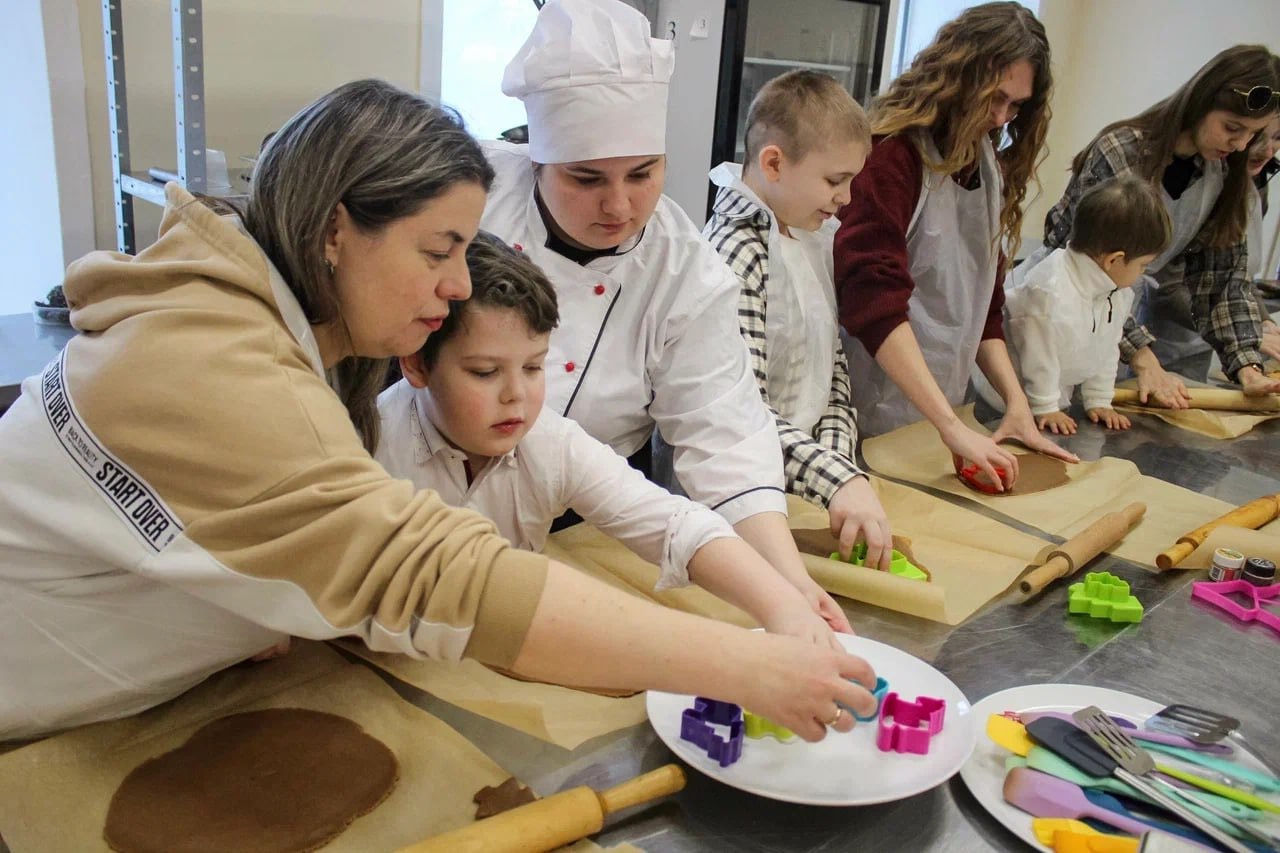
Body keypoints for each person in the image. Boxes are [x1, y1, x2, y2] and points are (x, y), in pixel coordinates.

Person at [0, 79, 876, 742]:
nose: (456, 285)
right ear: (335, 230)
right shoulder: (215, 361)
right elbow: (444, 575)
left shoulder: (255, 324)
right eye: (438, 250)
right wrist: (745, 663)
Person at [481, 0, 851, 627]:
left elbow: (725, 433)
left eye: (643, 173)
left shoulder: (684, 269)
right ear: (537, 161)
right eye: (585, 178)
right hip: (424, 495)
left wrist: (786, 583)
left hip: (581, 520)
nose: (620, 205)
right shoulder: (469, 197)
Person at [376, 232, 836, 646]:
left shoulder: (548, 443)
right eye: (485, 372)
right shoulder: (370, 447)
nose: (516, 395)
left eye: (535, 367)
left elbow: (672, 525)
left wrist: (782, 603)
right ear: (416, 364)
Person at [834, 2, 1076, 492]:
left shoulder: (985, 162)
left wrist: (1017, 405)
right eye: (994, 99)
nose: (1001, 117)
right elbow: (871, 301)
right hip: (863, 410)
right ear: (956, 76)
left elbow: (984, 304)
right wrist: (949, 424)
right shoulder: (893, 155)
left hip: (937, 418)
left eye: (1016, 106)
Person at [701, 70, 892, 568]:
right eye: (835, 181)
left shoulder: (807, 240)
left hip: (794, 490)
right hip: (724, 516)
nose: (846, 199)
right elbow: (741, 416)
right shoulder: (733, 256)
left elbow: (831, 384)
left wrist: (837, 477)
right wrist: (837, 481)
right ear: (773, 163)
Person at [1023, 45, 1280, 402]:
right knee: (1041, 403)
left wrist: (1246, 366)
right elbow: (1088, 266)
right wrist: (1144, 358)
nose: (1240, 145)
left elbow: (1220, 283)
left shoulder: (1221, 174)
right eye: (1232, 128)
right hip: (1055, 312)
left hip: (1114, 321)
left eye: (1253, 134)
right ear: (1201, 102)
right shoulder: (1121, 152)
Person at [977, 177, 1172, 435]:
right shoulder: (1049, 290)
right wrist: (1044, 405)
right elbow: (1039, 356)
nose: (1142, 273)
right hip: (1001, 401)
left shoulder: (1116, 292)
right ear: (1114, 260)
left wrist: (1099, 399)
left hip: (1054, 397)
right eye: (1143, 266)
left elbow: (1107, 348)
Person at [1245, 115, 1280, 361]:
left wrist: (1265, 321)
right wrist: (1248, 331)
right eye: (1258, 137)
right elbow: (1171, 285)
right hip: (1163, 335)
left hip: (1206, 343)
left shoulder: (1258, 184)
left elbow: (1240, 275)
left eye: (1278, 138)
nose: (1268, 150)